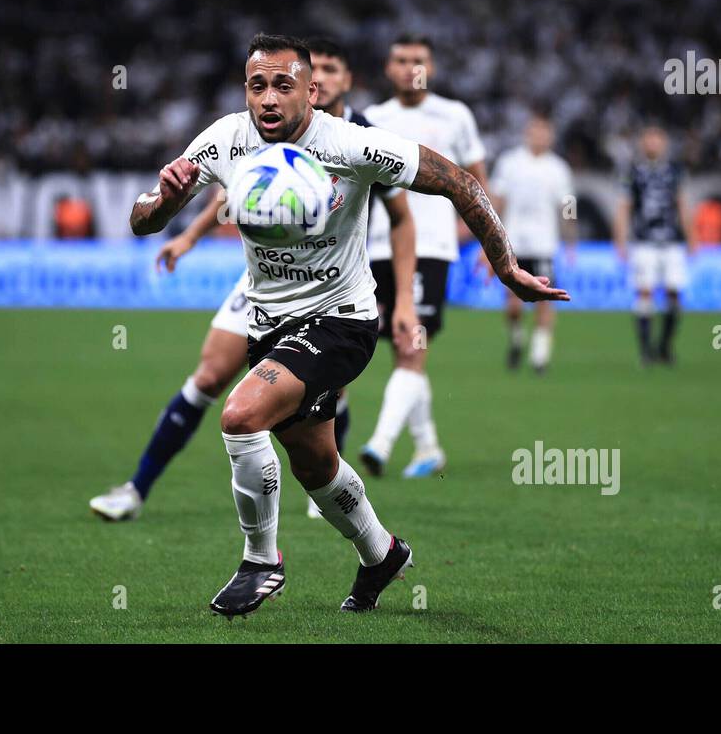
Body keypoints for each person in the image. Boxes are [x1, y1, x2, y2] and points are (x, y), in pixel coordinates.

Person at [130, 33, 567, 618]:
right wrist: (163, 200)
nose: (268, 98)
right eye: (257, 85)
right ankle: (381, 553)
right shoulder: (225, 139)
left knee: (239, 416)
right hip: (271, 324)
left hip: (342, 321)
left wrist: (506, 265)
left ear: (312, 91)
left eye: (283, 85)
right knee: (316, 465)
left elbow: (461, 183)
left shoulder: (352, 145)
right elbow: (142, 221)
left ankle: (261, 562)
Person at [90, 38, 417, 521]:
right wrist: (188, 234)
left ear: (336, 82)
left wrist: (404, 298)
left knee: (310, 395)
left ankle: (303, 512)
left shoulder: (360, 139)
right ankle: (136, 489)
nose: (320, 77)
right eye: (261, 84)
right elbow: (236, 189)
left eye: (328, 70)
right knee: (208, 378)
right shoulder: (249, 132)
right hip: (261, 288)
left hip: (330, 297)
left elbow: (403, 217)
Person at [358, 34, 490, 478]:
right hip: (375, 248)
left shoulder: (455, 115)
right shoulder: (371, 119)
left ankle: (380, 443)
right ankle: (429, 447)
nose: (410, 67)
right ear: (387, 68)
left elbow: (476, 183)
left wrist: (486, 242)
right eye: (401, 59)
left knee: (411, 346)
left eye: (419, 59)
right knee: (400, 349)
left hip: (431, 249)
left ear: (430, 67)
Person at [489, 111, 575, 374]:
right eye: (535, 130)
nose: (540, 136)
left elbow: (567, 205)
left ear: (550, 136)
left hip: (543, 244)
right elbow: (496, 200)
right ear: (527, 133)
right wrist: (490, 234)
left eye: (544, 131)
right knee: (513, 304)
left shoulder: (558, 168)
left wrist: (570, 238)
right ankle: (517, 338)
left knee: (545, 299)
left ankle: (540, 356)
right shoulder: (510, 163)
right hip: (512, 243)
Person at [614, 125, 694, 366]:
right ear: (642, 143)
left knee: (674, 293)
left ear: (664, 143)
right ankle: (646, 350)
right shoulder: (632, 172)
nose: (653, 144)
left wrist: (693, 237)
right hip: (643, 242)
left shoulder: (675, 171)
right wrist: (620, 239)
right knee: (645, 291)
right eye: (649, 139)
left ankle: (665, 347)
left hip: (672, 242)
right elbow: (624, 208)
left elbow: (682, 205)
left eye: (657, 139)